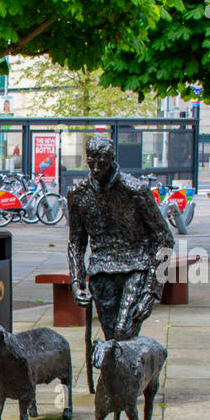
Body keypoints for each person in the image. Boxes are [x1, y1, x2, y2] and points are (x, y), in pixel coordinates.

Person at [66, 135, 175, 340]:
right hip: (101, 273)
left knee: (122, 333)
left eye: (102, 163)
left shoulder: (135, 191)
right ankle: (122, 371)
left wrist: (151, 292)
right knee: (112, 341)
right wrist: (77, 282)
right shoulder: (78, 195)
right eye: (91, 162)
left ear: (112, 159)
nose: (96, 168)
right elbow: (76, 244)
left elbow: (164, 239)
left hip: (136, 269)